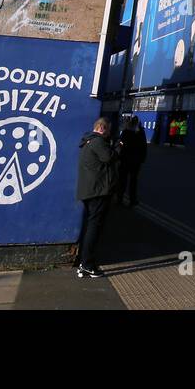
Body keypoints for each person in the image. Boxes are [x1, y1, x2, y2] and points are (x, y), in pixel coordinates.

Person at [75, 118, 117, 278]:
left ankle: (84, 262)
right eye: (108, 130)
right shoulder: (98, 142)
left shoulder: (88, 141)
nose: (109, 133)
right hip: (97, 191)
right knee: (94, 227)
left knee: (91, 226)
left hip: (89, 191)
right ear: (103, 128)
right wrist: (118, 148)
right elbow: (109, 158)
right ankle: (87, 264)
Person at [118, 115, 148, 207]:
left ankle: (119, 199)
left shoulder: (126, 131)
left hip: (125, 159)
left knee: (122, 180)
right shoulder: (141, 132)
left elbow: (121, 143)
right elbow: (144, 147)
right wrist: (142, 159)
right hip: (136, 161)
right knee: (133, 181)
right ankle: (132, 200)